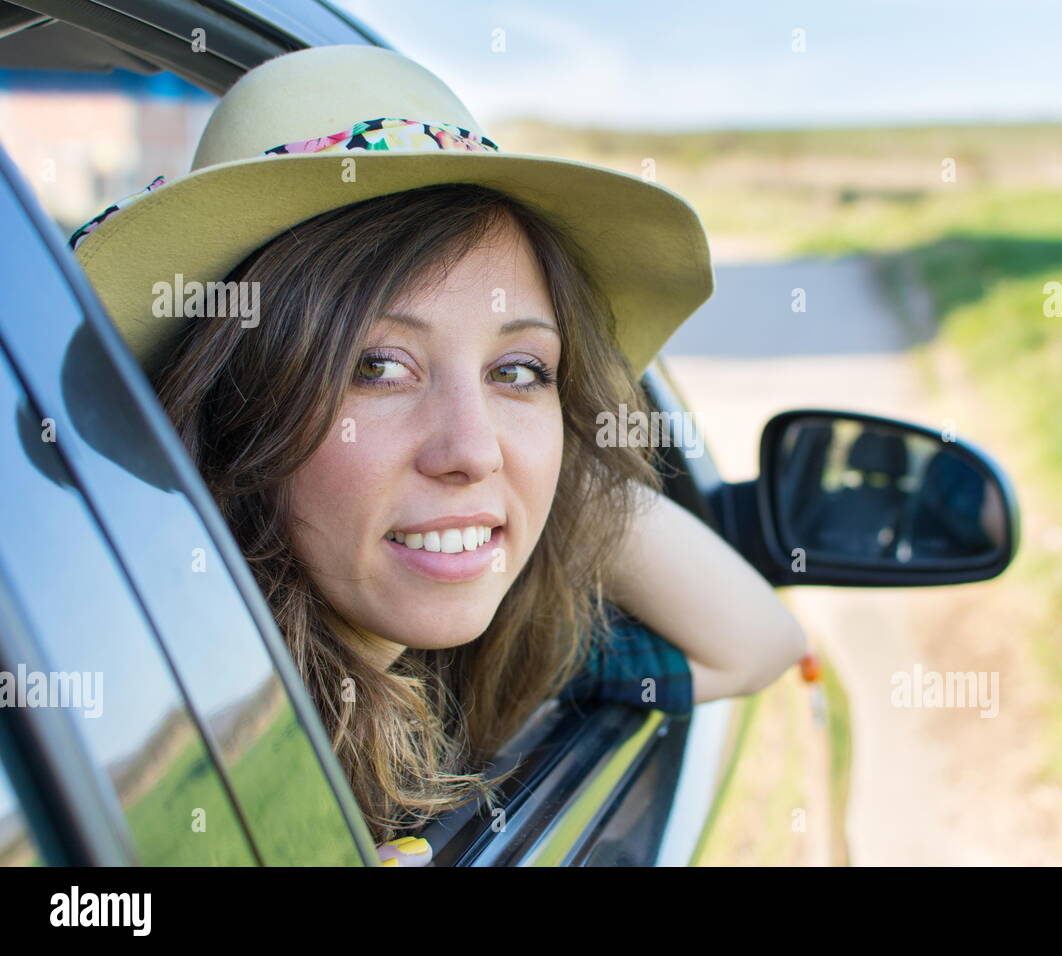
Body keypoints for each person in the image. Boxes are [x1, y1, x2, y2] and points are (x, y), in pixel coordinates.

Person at [69, 45, 807, 857]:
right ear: (234, 412)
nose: (470, 450)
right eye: (376, 367)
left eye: (519, 370)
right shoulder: (174, 746)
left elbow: (758, 642)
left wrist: (543, 465)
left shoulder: (467, 663)